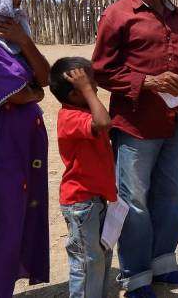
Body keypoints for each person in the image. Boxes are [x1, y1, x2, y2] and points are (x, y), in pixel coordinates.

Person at [91, 0, 178, 297]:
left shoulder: (177, 16)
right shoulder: (118, 14)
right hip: (135, 123)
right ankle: (136, 275)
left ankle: (163, 263)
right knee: (133, 200)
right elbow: (102, 70)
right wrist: (148, 81)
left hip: (173, 122)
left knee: (173, 195)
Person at [0, 0, 50, 298]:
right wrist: (33, 93)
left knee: (20, 218)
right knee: (2, 225)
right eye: (11, 5)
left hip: (22, 147)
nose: (17, 12)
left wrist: (25, 42)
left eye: (19, 5)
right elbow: (19, 93)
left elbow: (45, 78)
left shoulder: (15, 42)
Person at [50, 58, 116, 298]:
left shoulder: (83, 110)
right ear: (75, 94)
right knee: (86, 262)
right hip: (80, 201)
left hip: (94, 199)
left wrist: (87, 90)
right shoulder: (69, 116)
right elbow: (103, 122)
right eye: (90, 83)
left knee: (99, 255)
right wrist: (89, 91)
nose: (95, 86)